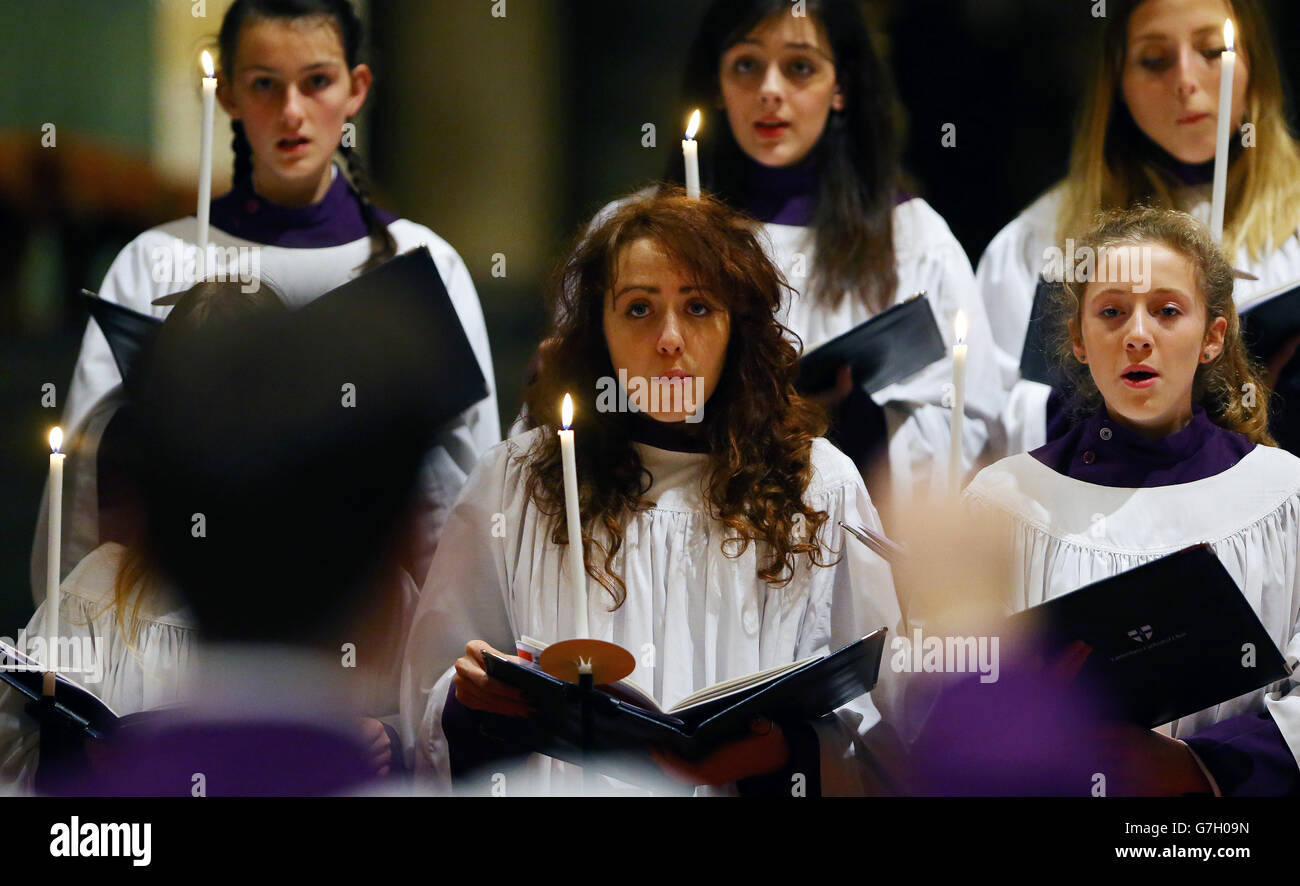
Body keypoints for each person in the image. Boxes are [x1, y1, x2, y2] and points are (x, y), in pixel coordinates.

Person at [401, 191, 905, 796]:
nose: (669, 340)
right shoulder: (520, 482)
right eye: (639, 309)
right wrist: (472, 705)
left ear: (736, 326)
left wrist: (783, 752)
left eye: (697, 307)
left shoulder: (818, 486)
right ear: (599, 330)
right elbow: (429, 699)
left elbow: (879, 720)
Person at [34, 0, 498, 602]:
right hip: (188, 619)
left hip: (371, 626)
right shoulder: (155, 261)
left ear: (356, 89)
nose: (291, 112)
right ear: (226, 93)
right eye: (264, 85)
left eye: (317, 82)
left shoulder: (422, 261)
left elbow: (476, 480)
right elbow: (84, 473)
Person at [3, 280, 416, 792]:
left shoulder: (371, 589)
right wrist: (71, 747)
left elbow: (422, 721)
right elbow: (17, 755)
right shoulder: (94, 595)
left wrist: (387, 738)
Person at [963, 208, 1300, 796]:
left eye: (1168, 311)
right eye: (1112, 312)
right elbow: (934, 696)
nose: (1138, 335)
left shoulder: (1283, 494)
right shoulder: (1004, 504)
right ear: (1080, 341)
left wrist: (1199, 767)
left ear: (1212, 338)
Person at [655, 0, 1005, 502]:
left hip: (845, 532)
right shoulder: (646, 236)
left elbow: (972, 424)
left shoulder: (911, 237)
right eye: (747, 65)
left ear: (841, 87)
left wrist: (855, 422)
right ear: (716, 82)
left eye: (799, 67)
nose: (769, 90)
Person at [977, 0, 1300, 456]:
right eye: (1155, 61)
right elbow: (987, 427)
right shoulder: (1044, 240)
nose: (1186, 82)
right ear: (1119, 84)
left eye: (1212, 51)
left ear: (1256, 65)